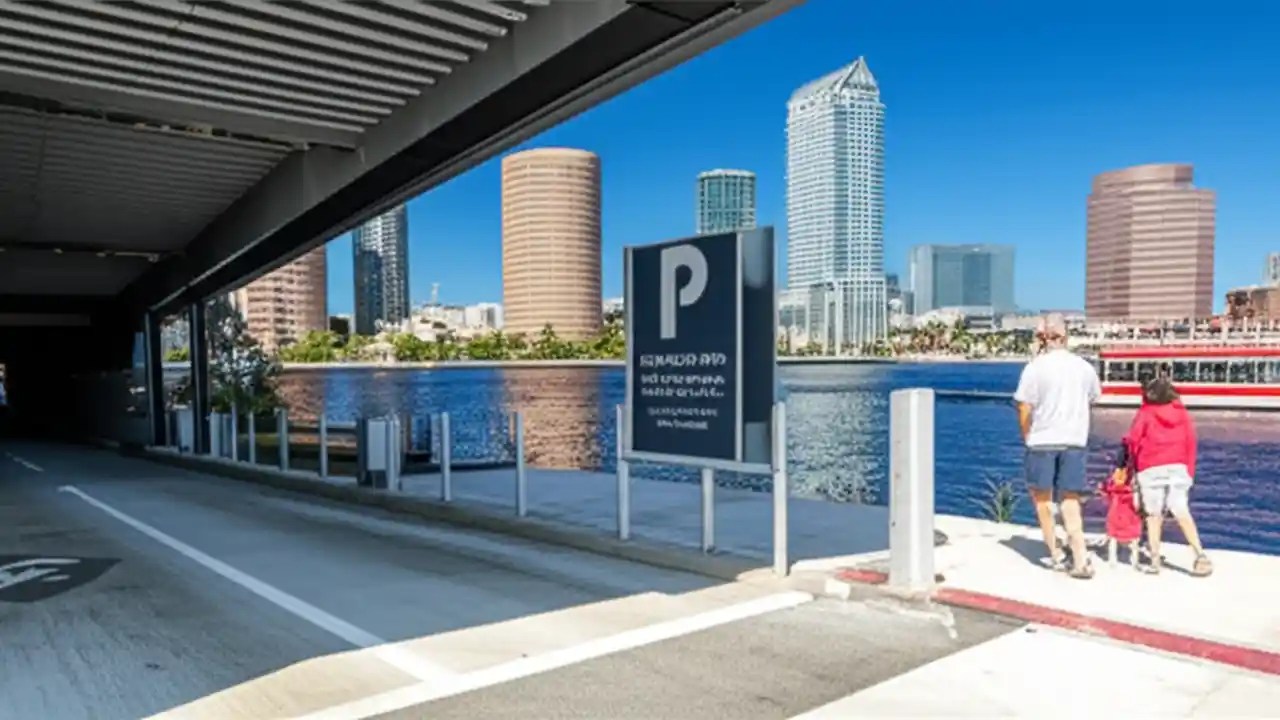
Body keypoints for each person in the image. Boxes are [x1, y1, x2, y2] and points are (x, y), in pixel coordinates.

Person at [1014, 313, 1100, 578]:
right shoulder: (1085, 368)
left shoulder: (1035, 368)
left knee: (1042, 500)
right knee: (1070, 500)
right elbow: (1092, 398)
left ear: (1042, 338)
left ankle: (1056, 554)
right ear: (1066, 336)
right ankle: (1080, 558)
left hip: (1042, 440)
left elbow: (1024, 406)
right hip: (1074, 440)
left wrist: (1027, 436)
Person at [1122, 376, 1212, 576]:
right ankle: (1200, 555)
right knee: (1181, 510)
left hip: (1150, 468)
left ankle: (1155, 561)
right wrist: (1189, 470)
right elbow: (1190, 442)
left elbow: (1134, 441)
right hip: (1179, 467)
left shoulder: (1145, 413)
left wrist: (1131, 468)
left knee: (1154, 515)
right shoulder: (1181, 413)